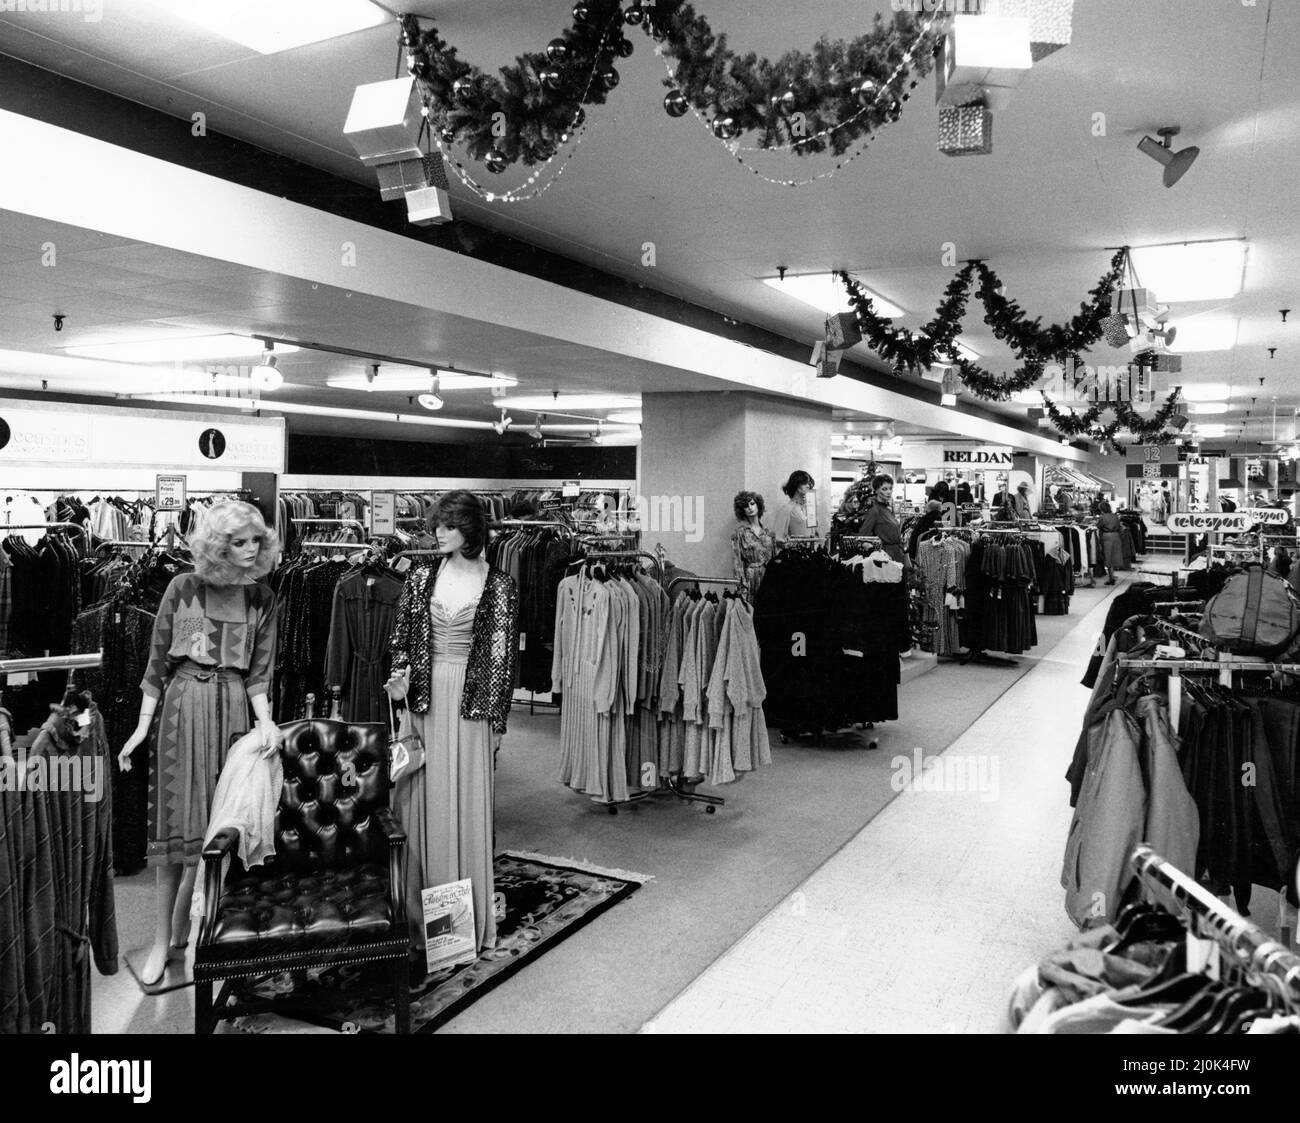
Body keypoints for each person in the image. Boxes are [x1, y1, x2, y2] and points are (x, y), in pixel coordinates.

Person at [116, 500, 281, 988]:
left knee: (217, 828)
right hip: (184, 708)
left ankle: (194, 931)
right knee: (178, 831)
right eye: (238, 542)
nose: (249, 550)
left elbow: (258, 676)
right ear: (217, 544)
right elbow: (161, 661)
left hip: (232, 710)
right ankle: (162, 940)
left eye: (255, 540)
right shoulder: (186, 589)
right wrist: (142, 726)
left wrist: (266, 722)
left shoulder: (262, 600)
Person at [385, 491, 520, 959]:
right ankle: (419, 924)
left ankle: (459, 929)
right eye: (436, 525)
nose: (436, 533)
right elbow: (401, 640)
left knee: (465, 802)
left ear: (469, 530)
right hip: (423, 701)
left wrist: (498, 723)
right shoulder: (421, 578)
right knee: (419, 800)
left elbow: (502, 660)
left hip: (472, 706)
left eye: (446, 526)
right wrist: (399, 680)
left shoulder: (499, 585)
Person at [857, 473, 909, 568]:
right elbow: (863, 536)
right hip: (885, 557)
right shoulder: (874, 510)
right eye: (884, 489)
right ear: (876, 491)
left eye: (890, 488)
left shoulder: (887, 510)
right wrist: (877, 554)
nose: (889, 492)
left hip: (896, 553)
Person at [730, 490, 775, 599]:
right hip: (750, 579)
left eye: (752, 504)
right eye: (745, 506)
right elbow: (737, 562)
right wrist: (741, 586)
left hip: (768, 578)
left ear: (758, 505)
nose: (750, 508)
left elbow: (774, 559)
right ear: (742, 510)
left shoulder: (769, 534)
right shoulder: (739, 534)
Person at [771, 470, 816, 546]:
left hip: (810, 553)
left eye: (809, 483)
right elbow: (777, 538)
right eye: (805, 483)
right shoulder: (787, 509)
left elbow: (813, 533)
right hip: (795, 554)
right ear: (797, 485)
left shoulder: (809, 508)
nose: (808, 486)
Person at [1097, 501, 1124, 585]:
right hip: (1116, 536)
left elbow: (1099, 526)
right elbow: (1120, 527)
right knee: (1114, 557)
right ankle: (1112, 575)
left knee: (1108, 558)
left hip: (1107, 536)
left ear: (1102, 509)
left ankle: (1111, 578)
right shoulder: (1115, 516)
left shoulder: (1102, 517)